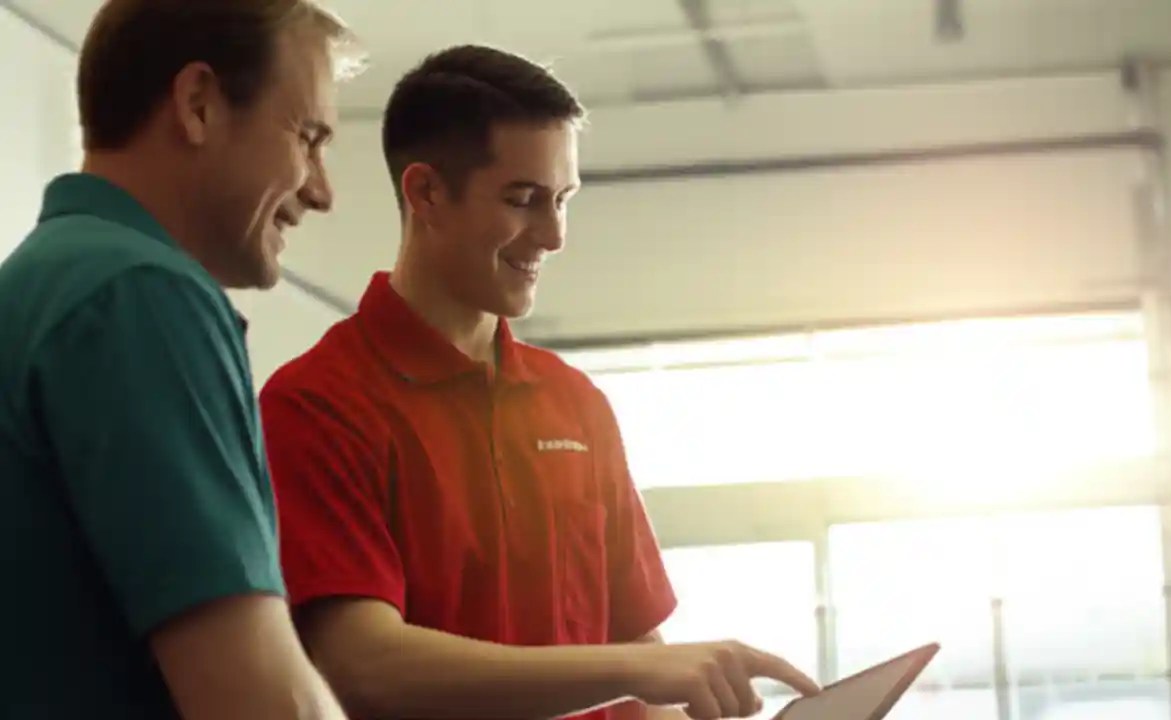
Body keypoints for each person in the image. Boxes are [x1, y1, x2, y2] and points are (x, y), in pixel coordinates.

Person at [259, 44, 821, 720]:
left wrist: (667, 684)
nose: (553, 235)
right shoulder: (317, 406)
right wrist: (640, 668)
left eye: (563, 200)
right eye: (524, 200)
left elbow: (641, 663)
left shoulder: (575, 404)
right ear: (426, 192)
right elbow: (363, 667)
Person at [0, 1, 365, 718]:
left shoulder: (51, 284)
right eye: (307, 137)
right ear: (197, 104)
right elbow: (257, 698)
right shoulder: (140, 297)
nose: (321, 191)